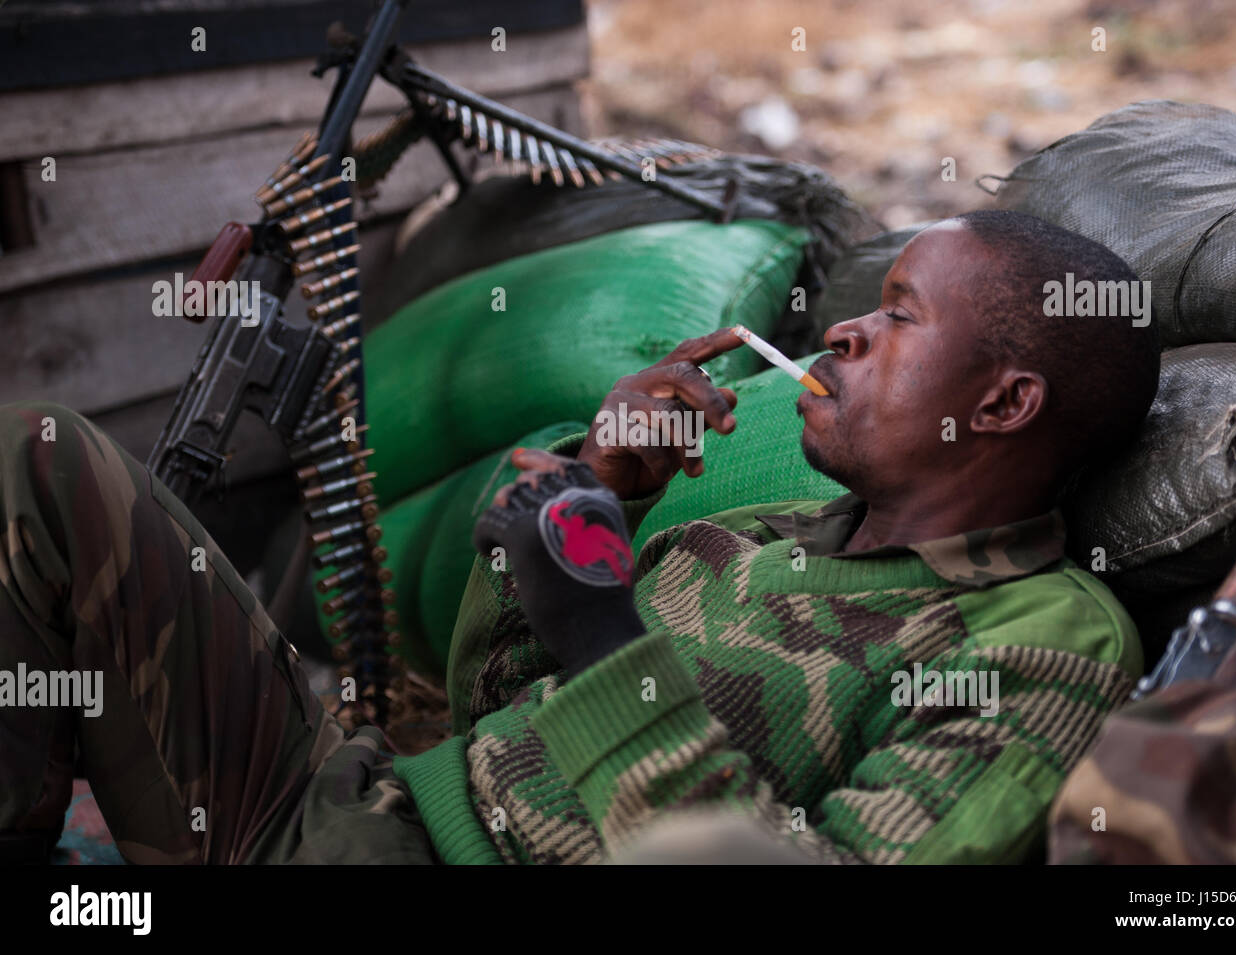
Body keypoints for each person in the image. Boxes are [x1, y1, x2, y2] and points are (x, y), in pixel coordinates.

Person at [0, 210, 1159, 864]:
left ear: (1002, 405)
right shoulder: (760, 534)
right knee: (39, 456)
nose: (844, 331)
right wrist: (596, 492)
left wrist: (606, 633)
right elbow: (493, 700)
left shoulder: (1043, 638)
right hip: (339, 802)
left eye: (897, 315)